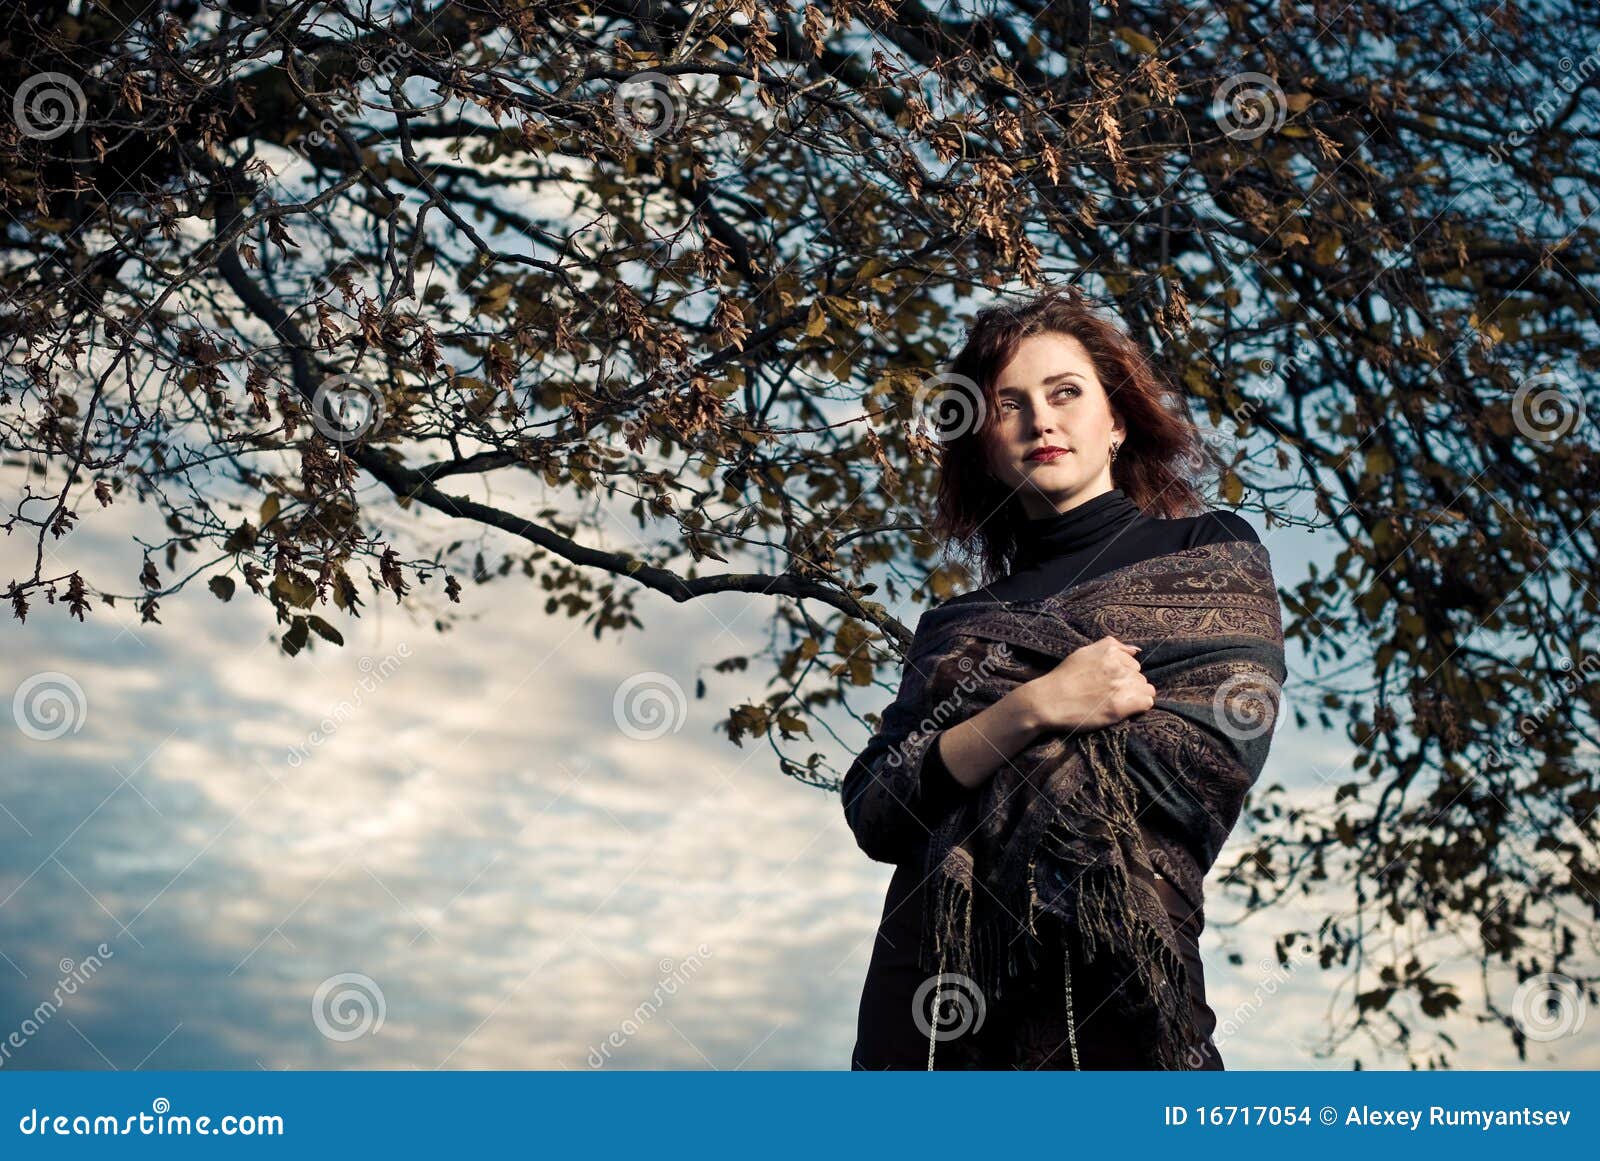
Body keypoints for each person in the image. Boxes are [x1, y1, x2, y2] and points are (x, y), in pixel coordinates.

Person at [845, 287, 1267, 1069]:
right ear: (985, 443)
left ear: (1117, 422)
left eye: (1066, 392)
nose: (1042, 419)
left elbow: (1201, 762)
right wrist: (1038, 705)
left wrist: (963, 759)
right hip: (934, 1015)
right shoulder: (954, 625)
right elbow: (877, 806)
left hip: (1119, 995)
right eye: (1011, 404)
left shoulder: (1205, 555)